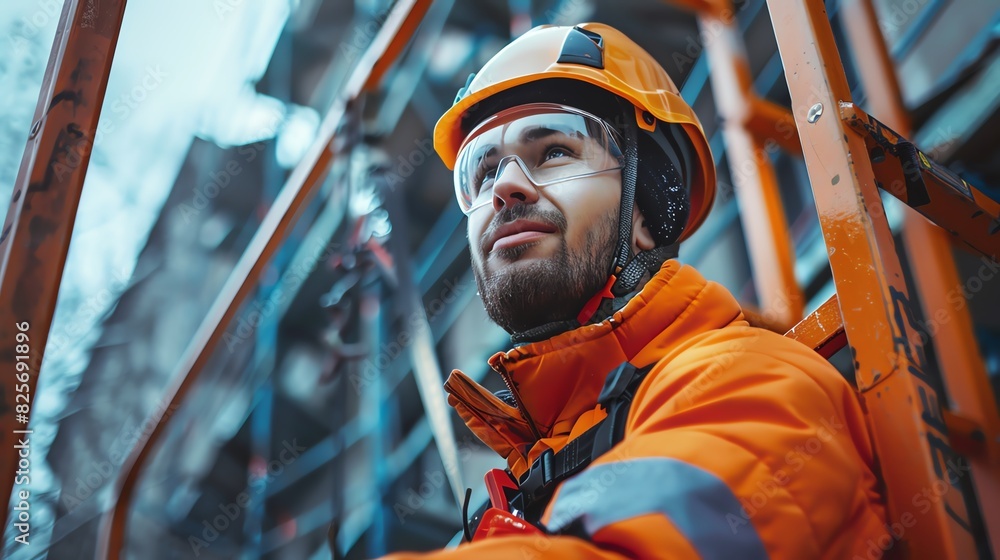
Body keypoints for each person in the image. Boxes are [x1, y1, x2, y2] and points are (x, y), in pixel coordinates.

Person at [386, 22, 886, 559]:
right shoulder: (527, 482)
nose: (503, 188)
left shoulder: (752, 381)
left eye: (554, 151)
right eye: (481, 174)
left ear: (644, 214)